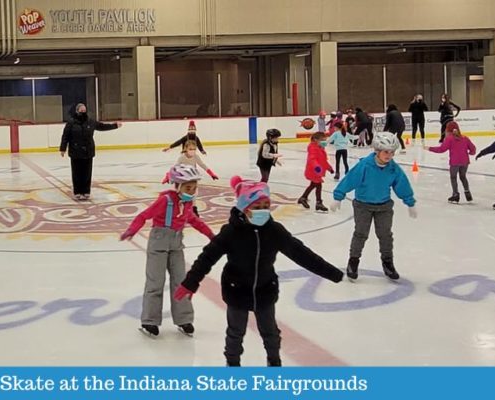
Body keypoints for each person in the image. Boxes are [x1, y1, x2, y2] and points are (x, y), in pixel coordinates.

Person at [173, 176, 343, 367]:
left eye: (265, 205)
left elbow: (301, 253)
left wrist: (332, 273)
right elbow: (207, 258)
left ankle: (274, 362)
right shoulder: (231, 232)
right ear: (244, 209)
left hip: (265, 290)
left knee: (270, 332)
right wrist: (190, 283)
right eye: (256, 206)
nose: (262, 210)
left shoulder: (274, 231)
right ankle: (233, 363)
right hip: (236, 290)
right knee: (235, 332)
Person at [120, 164, 214, 337]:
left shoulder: (187, 203)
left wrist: (212, 237)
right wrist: (132, 230)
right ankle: (150, 321)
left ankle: (184, 318)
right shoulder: (165, 201)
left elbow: (194, 221)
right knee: (155, 282)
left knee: (181, 281)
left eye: (194, 188)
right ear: (177, 185)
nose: (191, 191)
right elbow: (144, 216)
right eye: (187, 187)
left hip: (176, 245)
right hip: (158, 244)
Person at [331, 132, 417, 281]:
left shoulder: (393, 168)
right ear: (377, 151)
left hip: (384, 207)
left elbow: (402, 184)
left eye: (392, 152)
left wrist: (409, 202)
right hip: (363, 206)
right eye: (386, 152)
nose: (389, 156)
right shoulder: (365, 166)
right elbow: (350, 180)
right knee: (360, 234)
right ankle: (353, 261)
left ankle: (388, 263)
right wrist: (338, 196)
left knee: (385, 235)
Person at [59, 103, 122, 201]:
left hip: (88, 152)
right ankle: (78, 191)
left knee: (87, 173)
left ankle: (86, 191)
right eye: (81, 111)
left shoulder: (90, 122)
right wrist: (63, 148)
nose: (83, 112)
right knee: (76, 173)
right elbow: (65, 136)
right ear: (77, 111)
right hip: (75, 152)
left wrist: (114, 126)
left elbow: (101, 127)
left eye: (84, 111)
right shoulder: (71, 123)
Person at [427, 121, 476, 203]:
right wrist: (470, 153)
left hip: (455, 162)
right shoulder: (465, 138)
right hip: (465, 162)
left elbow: (441, 149)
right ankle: (468, 193)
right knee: (463, 177)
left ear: (447, 129)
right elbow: (473, 149)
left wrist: (429, 148)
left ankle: (455, 195)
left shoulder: (449, 139)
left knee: (453, 177)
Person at [298, 132, 334, 212]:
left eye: (325, 140)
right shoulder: (313, 148)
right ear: (315, 140)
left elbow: (323, 161)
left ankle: (303, 197)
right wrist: (317, 167)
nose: (324, 142)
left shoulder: (320, 147)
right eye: (322, 140)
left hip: (317, 171)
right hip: (313, 171)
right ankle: (319, 203)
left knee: (313, 185)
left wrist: (329, 168)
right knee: (318, 185)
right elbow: (312, 159)